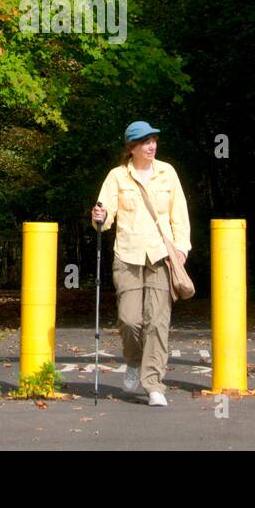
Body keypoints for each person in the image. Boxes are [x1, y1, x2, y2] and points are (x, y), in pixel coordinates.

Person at [90, 120, 191, 405]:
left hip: (161, 256)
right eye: (146, 142)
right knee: (130, 320)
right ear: (132, 147)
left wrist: (181, 248)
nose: (152, 146)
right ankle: (134, 362)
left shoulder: (167, 173)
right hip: (128, 255)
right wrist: (99, 217)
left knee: (157, 322)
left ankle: (154, 384)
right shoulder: (117, 177)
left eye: (154, 141)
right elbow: (105, 216)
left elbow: (179, 214)